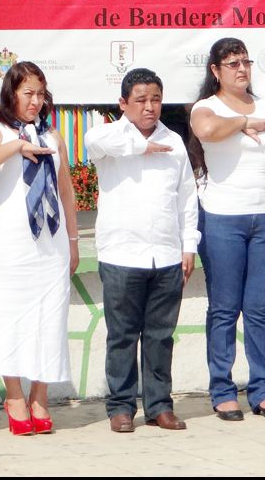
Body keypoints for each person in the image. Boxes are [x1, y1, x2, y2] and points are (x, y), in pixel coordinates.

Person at [188, 38, 265, 421]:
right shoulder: (207, 107)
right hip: (222, 218)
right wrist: (243, 122)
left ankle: (263, 389)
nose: (241, 69)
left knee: (259, 309)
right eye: (232, 63)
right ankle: (222, 389)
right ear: (215, 71)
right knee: (224, 308)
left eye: (246, 62)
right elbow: (207, 131)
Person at [86, 67, 197, 432]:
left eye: (156, 100)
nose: (150, 107)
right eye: (141, 100)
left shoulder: (175, 141)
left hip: (166, 253)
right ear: (123, 103)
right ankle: (120, 406)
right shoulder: (109, 136)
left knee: (160, 336)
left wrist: (188, 245)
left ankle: (159, 405)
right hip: (121, 253)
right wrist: (140, 145)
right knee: (122, 335)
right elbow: (93, 141)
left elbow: (186, 197)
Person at [0, 62, 78, 435]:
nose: (35, 100)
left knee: (50, 318)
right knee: (9, 316)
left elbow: (66, 192)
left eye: (40, 93)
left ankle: (41, 395)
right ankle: (14, 394)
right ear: (11, 94)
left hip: (52, 243)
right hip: (12, 242)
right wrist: (17, 146)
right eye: (28, 93)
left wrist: (74, 240)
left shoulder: (54, 137)